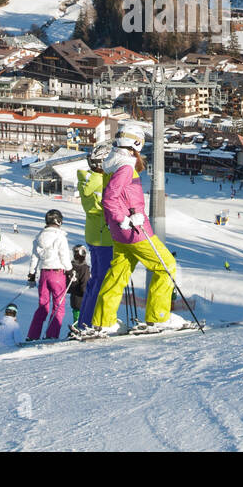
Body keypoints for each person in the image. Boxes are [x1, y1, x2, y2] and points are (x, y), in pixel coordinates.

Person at [90, 124, 186, 336]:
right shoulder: (125, 167)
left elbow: (113, 198)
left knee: (118, 274)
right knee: (166, 265)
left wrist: (119, 221)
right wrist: (125, 218)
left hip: (119, 232)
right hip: (134, 230)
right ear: (136, 143)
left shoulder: (112, 164)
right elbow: (109, 199)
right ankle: (158, 318)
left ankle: (104, 321)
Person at [71, 142, 114, 340]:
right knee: (103, 280)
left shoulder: (88, 179)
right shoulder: (101, 181)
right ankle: (94, 322)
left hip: (94, 234)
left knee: (95, 279)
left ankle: (85, 321)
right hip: (105, 235)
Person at [26, 210, 73, 341]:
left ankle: (33, 335)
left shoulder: (39, 237)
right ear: (58, 221)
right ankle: (51, 335)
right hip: (58, 273)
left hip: (44, 273)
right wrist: (69, 270)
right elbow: (64, 255)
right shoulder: (60, 237)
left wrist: (31, 274)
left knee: (43, 305)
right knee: (58, 306)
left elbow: (34, 258)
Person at [67, 245, 90, 326]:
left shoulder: (70, 267)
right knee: (82, 314)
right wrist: (87, 294)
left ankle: (77, 326)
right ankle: (80, 327)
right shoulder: (84, 268)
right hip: (82, 297)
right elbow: (85, 282)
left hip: (74, 297)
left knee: (76, 312)